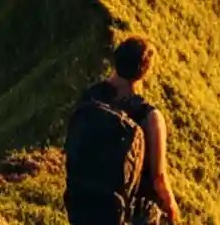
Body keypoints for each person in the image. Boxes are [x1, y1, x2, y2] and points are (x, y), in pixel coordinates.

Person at [66, 36, 181, 225]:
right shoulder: (149, 116)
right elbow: (159, 179)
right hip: (126, 213)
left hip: (82, 204)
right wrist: (173, 209)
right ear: (145, 72)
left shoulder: (90, 98)